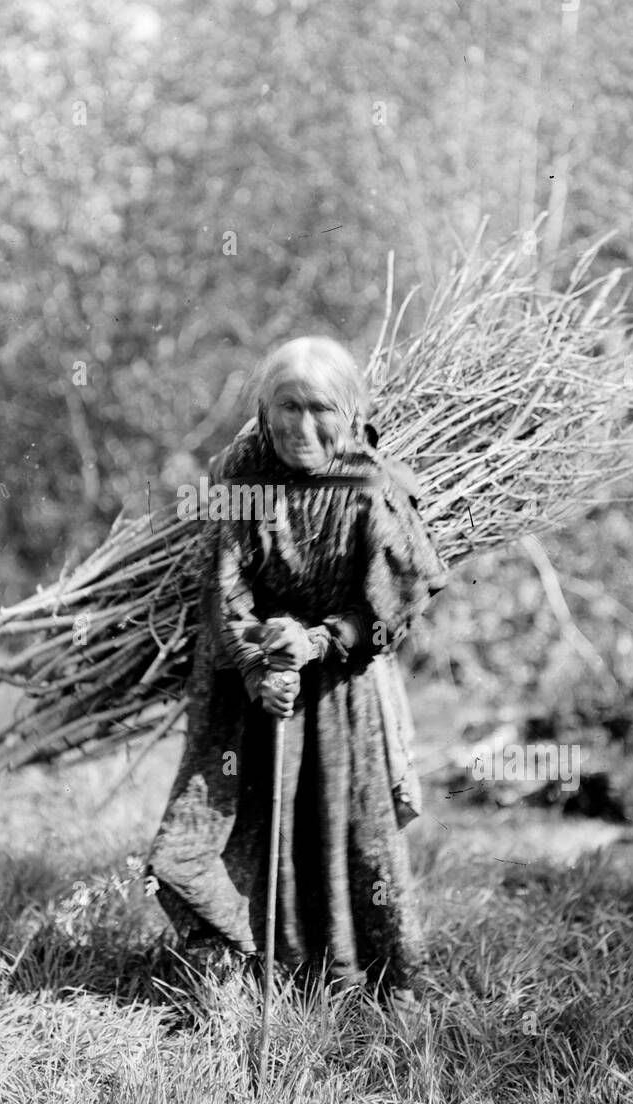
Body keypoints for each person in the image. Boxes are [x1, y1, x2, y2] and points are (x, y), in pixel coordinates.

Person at [146, 336, 448, 996]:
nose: (301, 426)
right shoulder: (238, 476)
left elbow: (389, 608)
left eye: (320, 409)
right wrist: (259, 664)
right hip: (242, 685)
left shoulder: (372, 489)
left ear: (350, 412)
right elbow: (222, 584)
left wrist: (315, 643)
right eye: (286, 406)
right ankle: (251, 971)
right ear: (261, 409)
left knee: (340, 829)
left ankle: (351, 980)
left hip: (340, 686)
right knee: (226, 826)